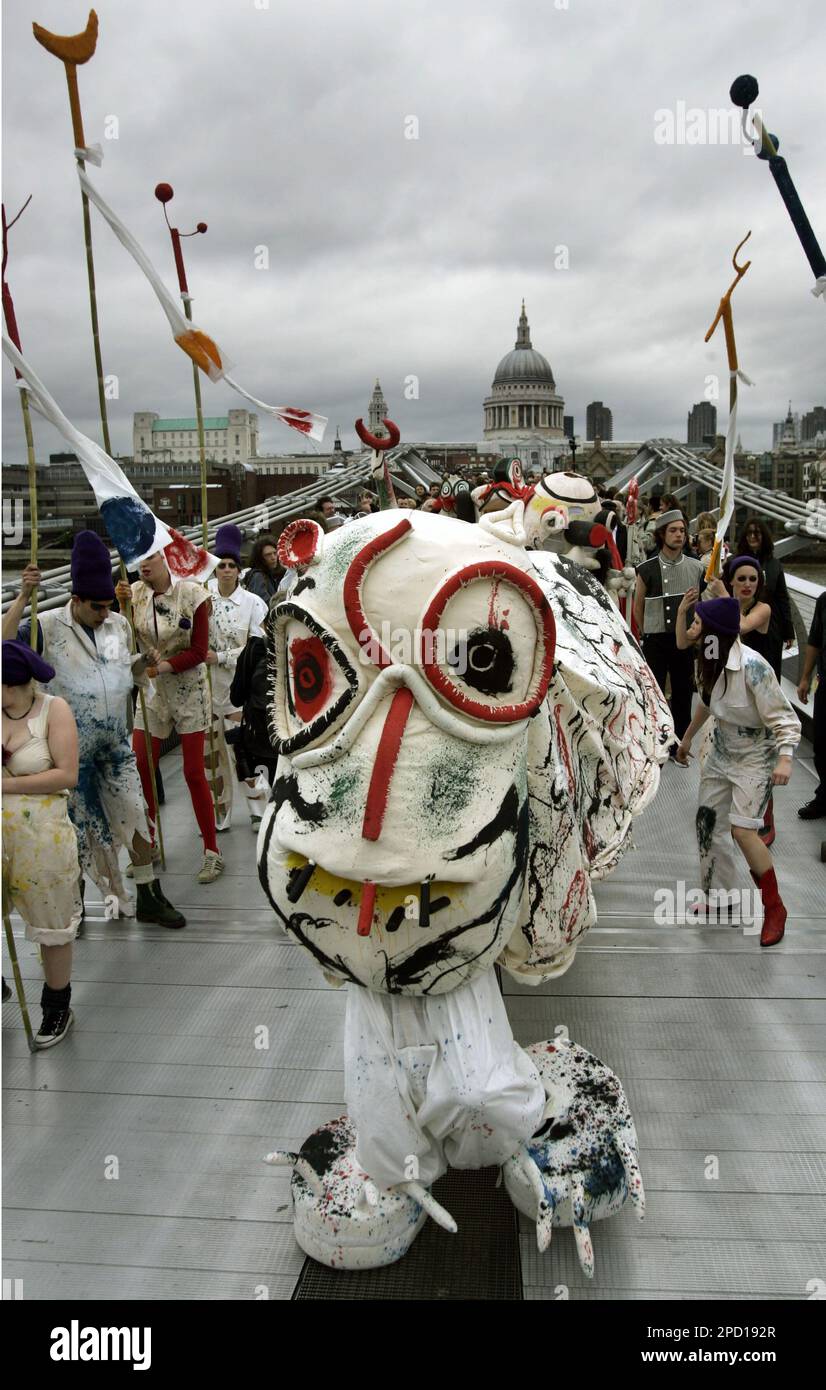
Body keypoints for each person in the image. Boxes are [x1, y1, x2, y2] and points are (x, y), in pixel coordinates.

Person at [2, 541, 184, 928]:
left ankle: (148, 894)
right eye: (97, 607)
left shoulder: (118, 623)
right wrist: (22, 597)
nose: (105, 614)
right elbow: (5, 648)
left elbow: (119, 669)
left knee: (136, 814)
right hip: (70, 751)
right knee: (76, 830)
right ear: (76, 599)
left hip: (115, 744)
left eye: (108, 606)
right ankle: (76, 901)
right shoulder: (46, 625)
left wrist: (141, 662)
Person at [675, 597, 800, 945]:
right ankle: (719, 896)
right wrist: (688, 737)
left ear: (716, 632)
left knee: (744, 832)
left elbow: (785, 719)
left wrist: (786, 758)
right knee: (708, 822)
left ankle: (775, 908)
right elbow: (706, 701)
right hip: (720, 747)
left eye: (698, 624)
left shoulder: (753, 667)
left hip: (756, 753)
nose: (693, 630)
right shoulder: (707, 659)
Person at [115, 550, 223, 884]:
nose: (143, 565)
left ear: (165, 558)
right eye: (139, 560)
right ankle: (149, 842)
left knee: (193, 772)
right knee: (141, 764)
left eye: (150, 558)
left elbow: (199, 651)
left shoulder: (193, 594)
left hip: (189, 688)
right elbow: (123, 639)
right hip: (152, 692)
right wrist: (121, 607)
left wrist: (161, 666)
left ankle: (212, 850)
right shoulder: (134, 593)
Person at [2, 640, 83, 1047]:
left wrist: (5, 785)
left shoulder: (55, 710)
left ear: (11, 685)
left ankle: (56, 1006)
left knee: (51, 922)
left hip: (42, 838)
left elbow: (67, 775)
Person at [205, 524, 267, 829]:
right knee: (212, 757)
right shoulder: (202, 599)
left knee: (240, 751)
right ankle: (220, 814)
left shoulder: (253, 603)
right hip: (206, 690)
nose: (226, 570)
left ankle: (257, 811)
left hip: (236, 690)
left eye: (231, 565)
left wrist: (221, 657)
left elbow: (256, 648)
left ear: (239, 570)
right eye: (221, 565)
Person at [634, 510, 705, 750]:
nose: (679, 535)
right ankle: (654, 739)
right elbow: (638, 606)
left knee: (683, 692)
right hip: (655, 640)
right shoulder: (646, 568)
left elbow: (703, 604)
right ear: (662, 534)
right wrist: (646, 632)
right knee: (653, 691)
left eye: (682, 531)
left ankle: (680, 744)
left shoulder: (696, 568)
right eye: (673, 530)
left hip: (684, 639)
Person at [229, 631, 278, 831]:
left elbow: (236, 698)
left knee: (265, 781)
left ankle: (262, 817)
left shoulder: (255, 649)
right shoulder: (303, 643)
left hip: (260, 737)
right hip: (296, 738)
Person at [736, 518, 795, 679]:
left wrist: (788, 631)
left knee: (770, 673)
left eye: (757, 533)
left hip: (771, 630)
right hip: (744, 626)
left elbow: (782, 598)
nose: (752, 536)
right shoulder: (736, 562)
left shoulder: (774, 564)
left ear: (764, 536)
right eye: (749, 533)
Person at [797, 589, 826, 822]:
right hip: (825, 683)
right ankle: (824, 797)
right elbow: (815, 641)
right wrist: (805, 677)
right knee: (822, 745)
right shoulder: (824, 600)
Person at [244, 534, 283, 605]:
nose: (273, 557)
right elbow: (262, 604)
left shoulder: (274, 574)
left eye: (275, 553)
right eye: (268, 555)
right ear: (260, 558)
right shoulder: (257, 576)